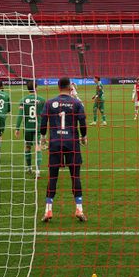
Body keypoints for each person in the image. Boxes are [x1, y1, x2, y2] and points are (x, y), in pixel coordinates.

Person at [39, 77, 87, 222]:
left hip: (55, 142)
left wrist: (43, 137)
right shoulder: (77, 103)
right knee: (75, 176)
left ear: (58, 87)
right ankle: (79, 209)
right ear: (70, 87)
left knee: (53, 176)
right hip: (72, 142)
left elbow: (43, 122)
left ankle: (48, 210)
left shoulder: (49, 103)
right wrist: (84, 136)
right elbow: (82, 122)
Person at [15, 80, 45, 177]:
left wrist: (17, 128)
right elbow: (45, 116)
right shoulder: (42, 100)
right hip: (38, 127)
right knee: (38, 147)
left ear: (27, 89)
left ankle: (29, 168)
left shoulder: (23, 100)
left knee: (27, 147)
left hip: (27, 128)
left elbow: (20, 115)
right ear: (36, 88)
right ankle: (38, 171)